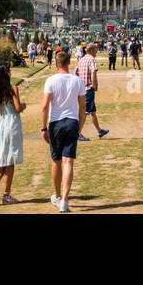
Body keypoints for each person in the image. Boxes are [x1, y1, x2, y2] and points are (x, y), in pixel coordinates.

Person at [41, 50, 87, 214]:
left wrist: (43, 127)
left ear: (56, 64)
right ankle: (65, 200)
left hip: (56, 123)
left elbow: (45, 106)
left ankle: (58, 195)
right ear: (69, 63)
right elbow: (83, 106)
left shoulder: (51, 80)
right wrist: (80, 126)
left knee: (56, 161)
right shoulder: (77, 80)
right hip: (72, 122)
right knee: (68, 162)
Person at [0, 63, 26, 205]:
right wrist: (24, 106)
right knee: (11, 161)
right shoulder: (12, 89)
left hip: (1, 125)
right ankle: (6, 195)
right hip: (12, 124)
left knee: (3, 157)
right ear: (7, 75)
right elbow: (17, 108)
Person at [75, 44, 110, 142]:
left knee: (92, 112)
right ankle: (78, 133)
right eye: (96, 49)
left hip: (81, 89)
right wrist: (94, 84)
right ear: (91, 50)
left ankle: (100, 131)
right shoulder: (91, 59)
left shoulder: (81, 59)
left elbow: (76, 72)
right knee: (85, 112)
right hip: (88, 88)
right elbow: (94, 71)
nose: (97, 51)